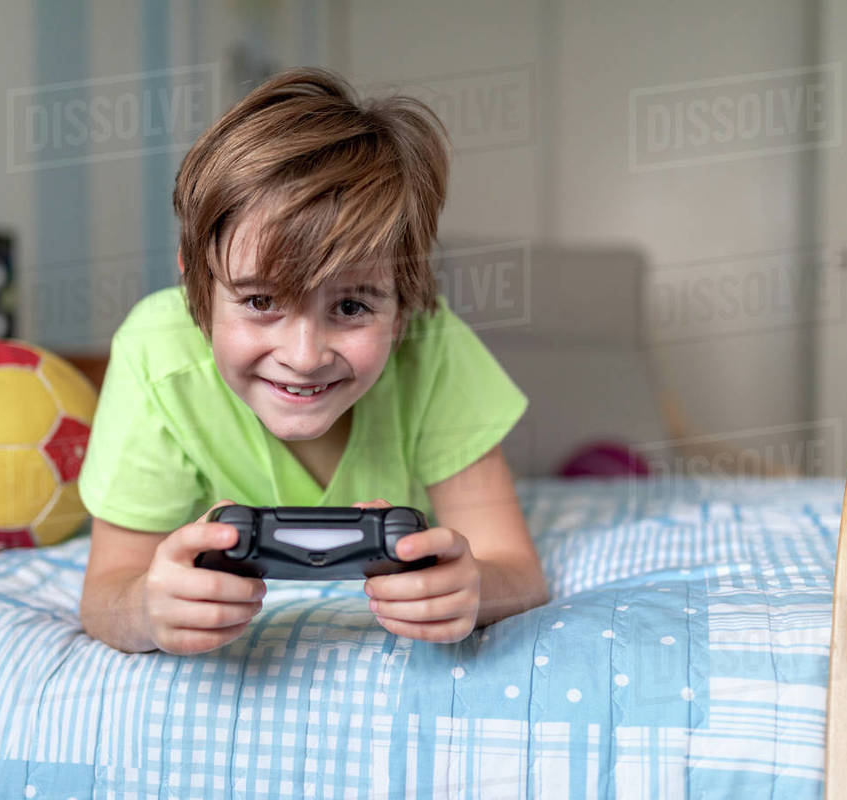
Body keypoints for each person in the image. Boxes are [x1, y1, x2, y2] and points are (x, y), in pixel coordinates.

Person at [77, 67, 548, 655]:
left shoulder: (434, 345)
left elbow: (517, 571)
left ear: (403, 309)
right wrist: (146, 610)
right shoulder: (155, 352)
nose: (302, 358)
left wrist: (472, 590)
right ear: (198, 284)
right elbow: (106, 591)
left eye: (350, 306)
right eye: (259, 301)